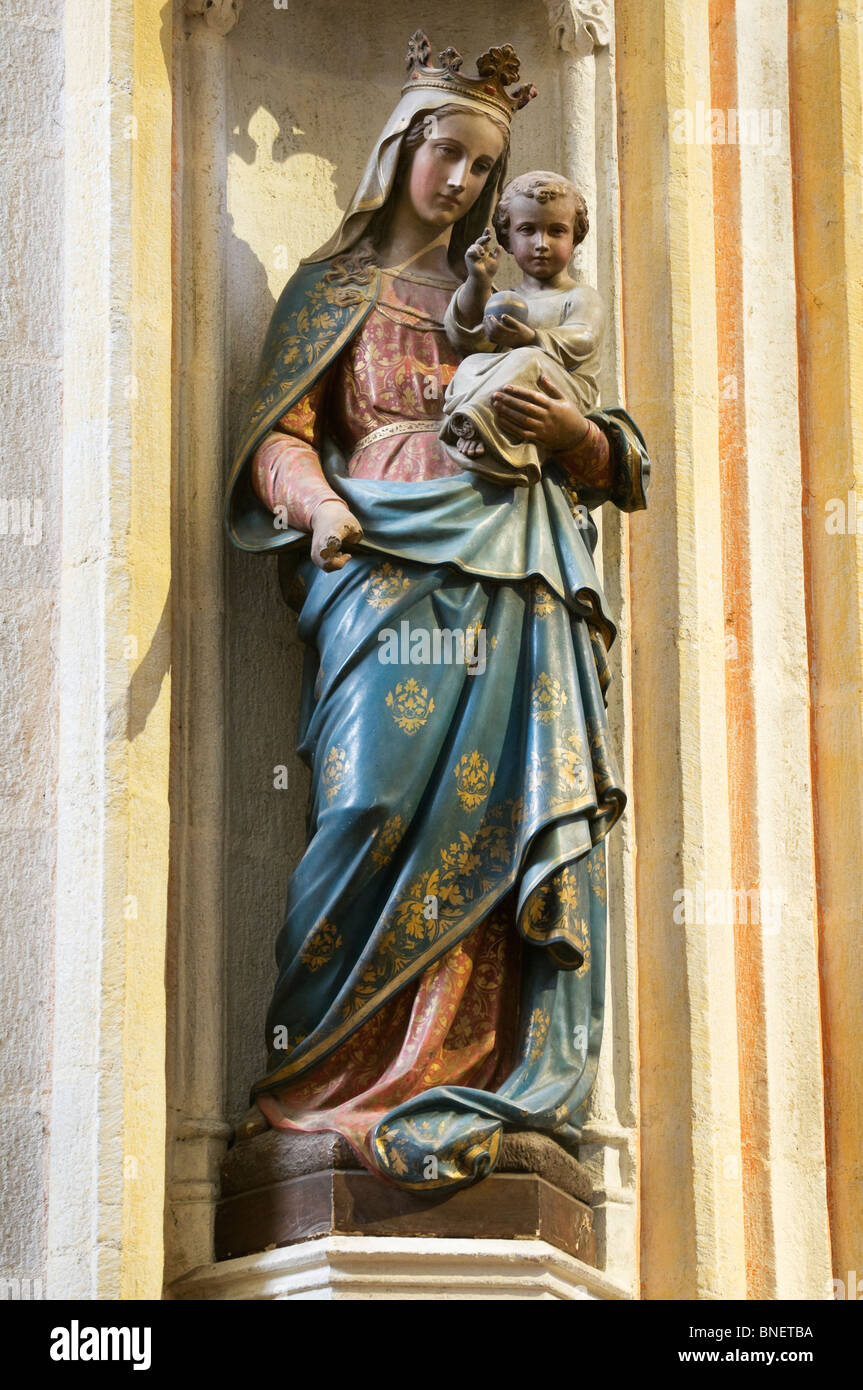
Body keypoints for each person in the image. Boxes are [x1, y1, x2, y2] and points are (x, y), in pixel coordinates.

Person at [225, 32, 649, 1193]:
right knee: (368, 800)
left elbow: (610, 451)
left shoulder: (525, 304)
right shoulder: (334, 289)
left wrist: (569, 434)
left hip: (515, 570)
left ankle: (474, 1080)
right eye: (444, 155)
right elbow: (279, 435)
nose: (459, 183)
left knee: (513, 817)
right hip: (375, 564)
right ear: (399, 148)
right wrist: (314, 507)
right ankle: (313, 1087)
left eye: (480, 167)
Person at [439, 171, 605, 487]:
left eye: (556, 231)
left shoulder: (579, 295)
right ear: (508, 239)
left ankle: (480, 425)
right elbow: (468, 338)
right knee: (473, 364)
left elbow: (583, 338)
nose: (541, 244)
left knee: (528, 359)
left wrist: (531, 338)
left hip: (564, 392)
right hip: (513, 391)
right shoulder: (508, 299)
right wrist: (479, 281)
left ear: (574, 238)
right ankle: (474, 424)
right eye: (527, 230)